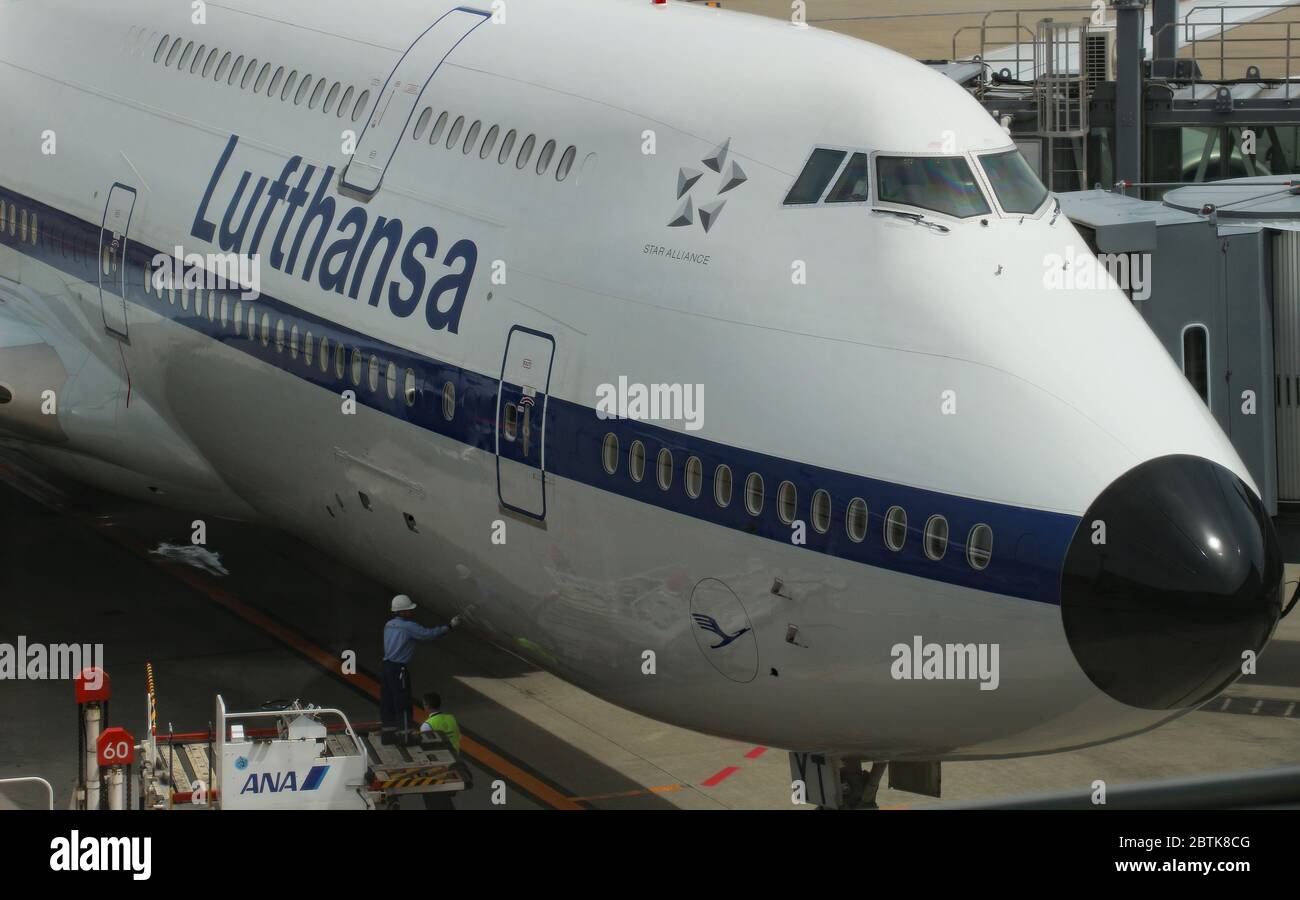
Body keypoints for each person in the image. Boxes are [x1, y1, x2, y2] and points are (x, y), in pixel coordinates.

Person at [380, 595, 460, 744]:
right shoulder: (408, 626)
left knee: (388, 701)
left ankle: (388, 735)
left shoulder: (389, 624)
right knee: (402, 702)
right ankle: (405, 736)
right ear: (402, 612)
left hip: (386, 667)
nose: (411, 612)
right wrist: (449, 626)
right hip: (399, 669)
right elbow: (427, 635)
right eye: (409, 610)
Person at [419, 692, 462, 810]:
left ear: (426, 706)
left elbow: (424, 750)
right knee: (443, 800)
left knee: (432, 798)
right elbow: (458, 737)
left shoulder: (427, 725)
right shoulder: (451, 718)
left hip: (438, 769)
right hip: (455, 765)